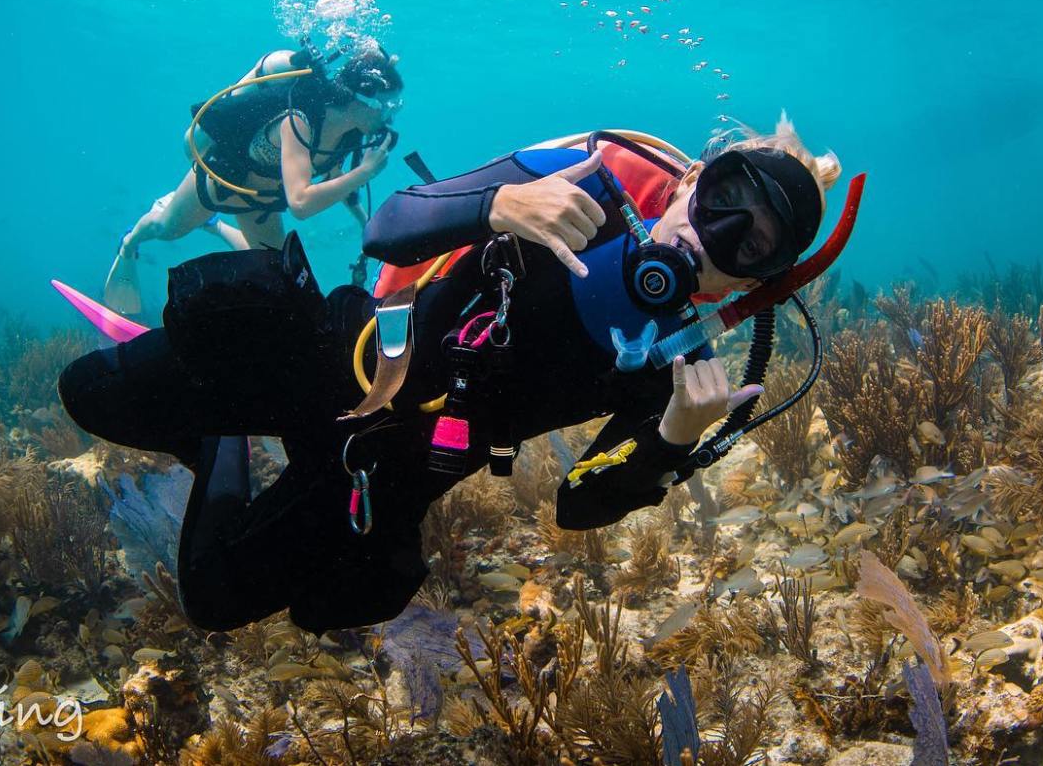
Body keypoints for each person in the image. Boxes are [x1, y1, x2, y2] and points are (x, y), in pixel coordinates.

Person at [58, 115, 846, 633]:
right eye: (721, 202)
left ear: (752, 284)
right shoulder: (590, 175)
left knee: (214, 595)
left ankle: (218, 437)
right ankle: (221, 408)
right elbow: (387, 226)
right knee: (89, 394)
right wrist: (498, 205)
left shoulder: (680, 360)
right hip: (343, 359)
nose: (713, 240)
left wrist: (673, 436)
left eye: (749, 246)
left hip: (398, 467)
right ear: (691, 180)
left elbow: (576, 507)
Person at [103, 44, 403, 314]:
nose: (390, 114)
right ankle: (129, 245)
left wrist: (365, 221)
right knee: (166, 228)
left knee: (276, 272)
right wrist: (364, 172)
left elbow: (336, 182)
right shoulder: (299, 120)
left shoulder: (346, 135)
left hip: (262, 204)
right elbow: (300, 203)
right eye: (388, 104)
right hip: (218, 184)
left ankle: (215, 225)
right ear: (363, 100)